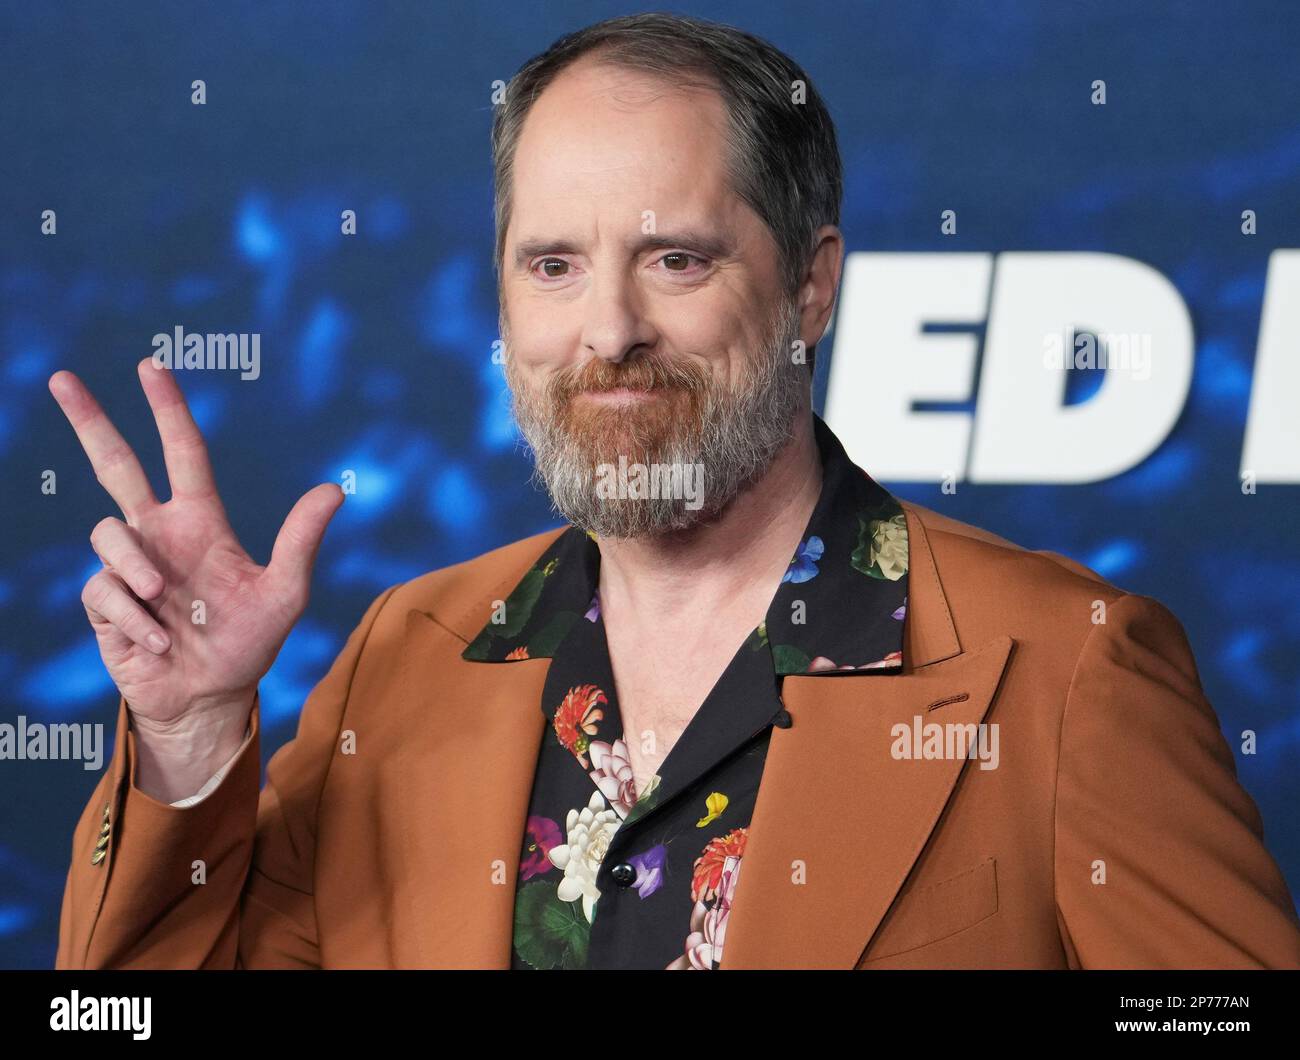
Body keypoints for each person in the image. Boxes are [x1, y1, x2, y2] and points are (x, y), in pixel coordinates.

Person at [52, 12, 1300, 969]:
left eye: (676, 259)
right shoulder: (404, 661)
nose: (608, 330)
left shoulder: (1072, 672)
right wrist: (193, 738)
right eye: (552, 263)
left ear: (810, 289)